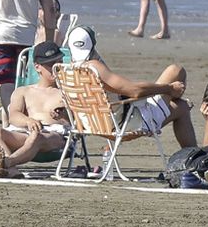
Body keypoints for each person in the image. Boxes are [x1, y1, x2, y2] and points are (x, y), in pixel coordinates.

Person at [65, 25, 195, 148]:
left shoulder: (66, 70)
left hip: (91, 124)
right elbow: (135, 91)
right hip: (124, 125)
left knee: (181, 106)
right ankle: (196, 162)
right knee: (176, 71)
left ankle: (194, 160)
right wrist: (169, 89)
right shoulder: (93, 68)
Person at [0, 41, 71, 178]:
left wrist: (64, 115)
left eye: (59, 63)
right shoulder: (23, 91)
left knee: (36, 136)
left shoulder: (67, 92)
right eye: (51, 65)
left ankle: (6, 162)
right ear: (37, 67)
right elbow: (13, 116)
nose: (56, 68)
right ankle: (12, 170)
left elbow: (80, 120)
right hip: (25, 133)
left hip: (55, 136)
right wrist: (28, 121)